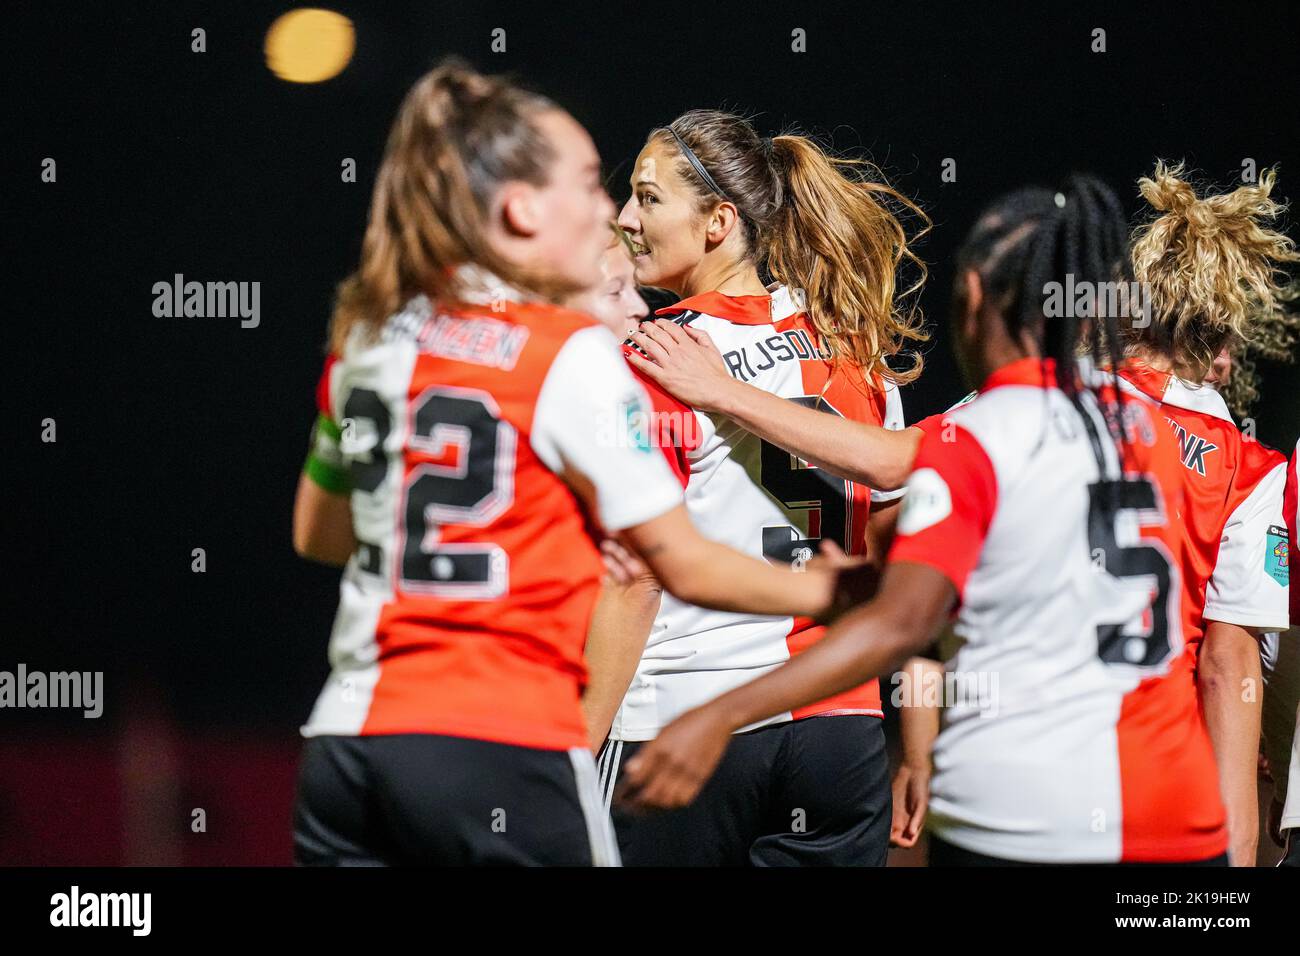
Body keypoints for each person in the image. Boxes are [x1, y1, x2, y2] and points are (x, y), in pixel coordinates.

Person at [289, 61, 849, 866]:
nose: (608, 212)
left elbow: (322, 533)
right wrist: (836, 589)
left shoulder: (371, 337)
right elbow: (676, 563)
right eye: (589, 185)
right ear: (520, 209)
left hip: (346, 747)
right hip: (501, 746)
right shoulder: (570, 354)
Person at [619, 176, 1232, 867]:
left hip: (1030, 814)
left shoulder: (980, 436)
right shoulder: (1154, 433)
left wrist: (721, 713)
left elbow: (901, 614)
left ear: (971, 298)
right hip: (1178, 808)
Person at [592, 108, 936, 865]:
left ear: (718, 221)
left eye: (648, 197)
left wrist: (569, 755)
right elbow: (901, 567)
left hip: (691, 723)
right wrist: (917, 746)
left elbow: (636, 584)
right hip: (840, 734)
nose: (624, 217)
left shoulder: (657, 355)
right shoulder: (855, 351)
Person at [1119, 162, 1296, 864]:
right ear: (1209, 340)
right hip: (1160, 779)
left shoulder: (1028, 398)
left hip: (1016, 771)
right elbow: (1228, 663)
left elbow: (895, 470)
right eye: (1226, 344)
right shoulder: (1246, 465)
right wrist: (1239, 855)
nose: (1228, 367)